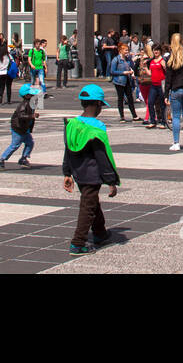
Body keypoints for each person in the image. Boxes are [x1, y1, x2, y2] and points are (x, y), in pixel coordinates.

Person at [62, 84, 120, 255]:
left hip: (78, 172)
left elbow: (68, 149)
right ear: (97, 105)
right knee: (87, 207)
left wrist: (67, 172)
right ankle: (77, 243)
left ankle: (100, 233)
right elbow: (102, 156)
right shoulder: (96, 129)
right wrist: (111, 181)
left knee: (92, 201)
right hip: (92, 174)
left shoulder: (71, 124)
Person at [0, 83, 39, 169]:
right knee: (15, 145)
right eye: (32, 94)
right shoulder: (23, 105)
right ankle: (0, 159)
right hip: (18, 129)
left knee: (30, 143)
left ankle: (23, 158)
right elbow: (21, 116)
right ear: (27, 96)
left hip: (24, 129)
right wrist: (32, 116)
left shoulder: (31, 103)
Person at [109, 42, 139, 122]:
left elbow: (132, 66)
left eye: (127, 50)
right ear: (120, 50)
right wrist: (123, 73)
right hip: (119, 81)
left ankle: (134, 116)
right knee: (120, 98)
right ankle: (122, 117)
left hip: (127, 81)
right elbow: (112, 71)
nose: (127, 52)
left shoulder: (127, 59)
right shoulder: (116, 60)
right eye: (125, 50)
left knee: (130, 98)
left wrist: (131, 59)